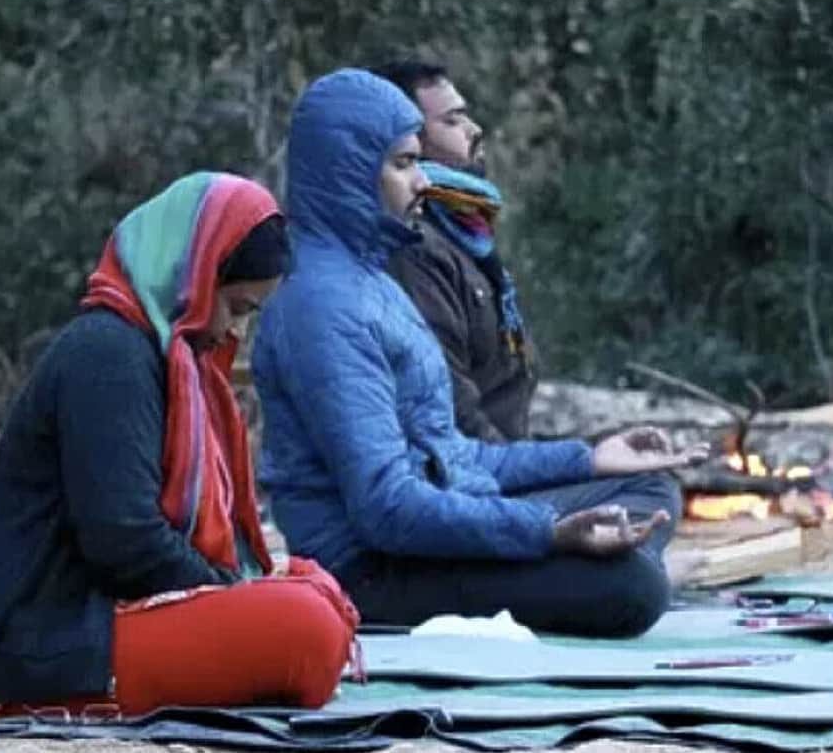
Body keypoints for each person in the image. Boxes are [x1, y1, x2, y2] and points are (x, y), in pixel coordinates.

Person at [253, 69, 701, 639]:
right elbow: (387, 510)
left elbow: (459, 458)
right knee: (633, 589)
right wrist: (545, 531)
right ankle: (628, 566)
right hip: (371, 574)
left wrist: (588, 459)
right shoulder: (323, 309)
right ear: (350, 172)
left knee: (647, 487)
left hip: (435, 525)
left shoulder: (374, 284)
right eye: (402, 164)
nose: (422, 183)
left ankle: (619, 554)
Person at [0, 172, 358, 722]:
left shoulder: (164, 359)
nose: (231, 332)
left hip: (93, 620)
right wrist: (226, 595)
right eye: (234, 306)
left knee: (312, 587)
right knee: (306, 630)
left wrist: (236, 592)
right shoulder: (108, 355)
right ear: (195, 276)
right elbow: (124, 540)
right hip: (42, 643)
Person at [372, 60, 533, 442]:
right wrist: (536, 476)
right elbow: (451, 408)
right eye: (452, 121)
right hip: (479, 479)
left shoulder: (464, 239)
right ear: (408, 139)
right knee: (649, 488)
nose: (474, 131)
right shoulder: (414, 248)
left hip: (501, 467)